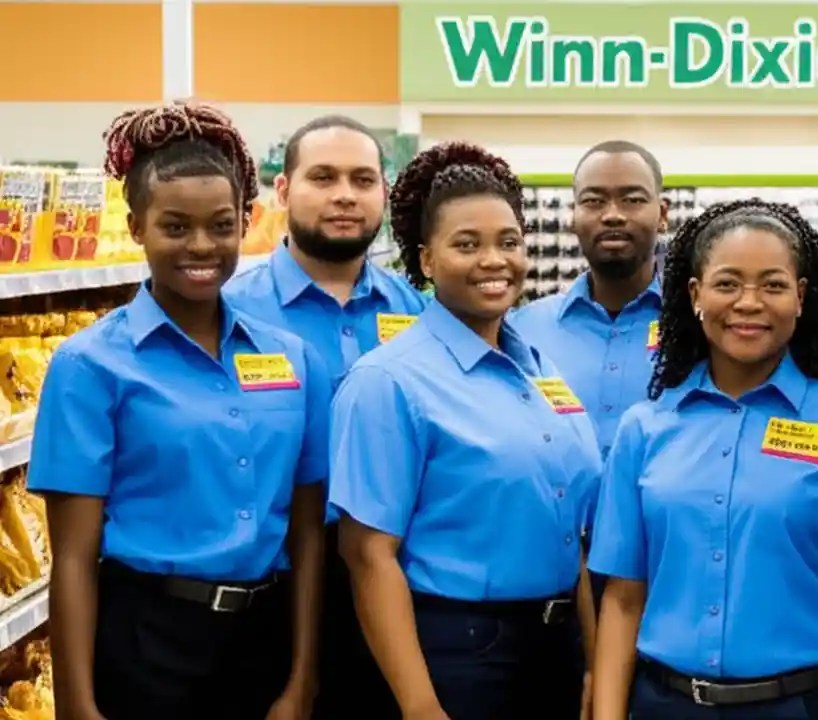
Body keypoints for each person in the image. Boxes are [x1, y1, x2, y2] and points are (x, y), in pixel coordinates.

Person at [28, 102, 330, 719]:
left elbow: (306, 534)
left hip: (264, 641)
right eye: (175, 226)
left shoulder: (295, 359)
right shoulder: (89, 366)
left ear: (245, 222)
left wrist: (302, 680)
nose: (201, 246)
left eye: (220, 225)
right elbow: (75, 560)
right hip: (146, 642)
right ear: (136, 227)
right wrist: (77, 707)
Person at [589, 197, 818, 719]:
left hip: (798, 706)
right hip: (665, 705)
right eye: (727, 284)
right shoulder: (644, 429)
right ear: (695, 295)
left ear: (800, 297)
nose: (749, 302)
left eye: (772, 285)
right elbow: (623, 599)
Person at [327, 141, 602, 720]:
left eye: (508, 242)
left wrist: (592, 662)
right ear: (427, 260)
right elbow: (368, 555)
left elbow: (567, 528)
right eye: (467, 244)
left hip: (555, 645)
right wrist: (420, 705)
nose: (494, 260)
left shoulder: (540, 369)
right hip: (461, 653)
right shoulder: (388, 381)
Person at [222, 114, 426, 718]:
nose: (345, 195)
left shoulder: (421, 314)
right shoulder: (228, 310)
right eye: (323, 177)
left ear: (384, 193)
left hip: (399, 585)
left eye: (363, 180)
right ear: (283, 191)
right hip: (272, 595)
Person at [510, 140, 668, 460]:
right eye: (594, 201)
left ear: (662, 214)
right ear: (573, 214)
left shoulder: (701, 331)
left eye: (632, 200)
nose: (613, 215)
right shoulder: (520, 332)